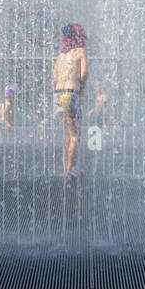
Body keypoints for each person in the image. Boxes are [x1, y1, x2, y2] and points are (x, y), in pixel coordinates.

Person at [53, 22, 88, 177]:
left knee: (69, 132)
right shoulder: (80, 51)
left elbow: (55, 78)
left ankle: (68, 167)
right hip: (71, 93)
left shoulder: (61, 55)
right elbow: (84, 74)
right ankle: (71, 170)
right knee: (75, 134)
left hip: (58, 94)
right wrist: (81, 90)